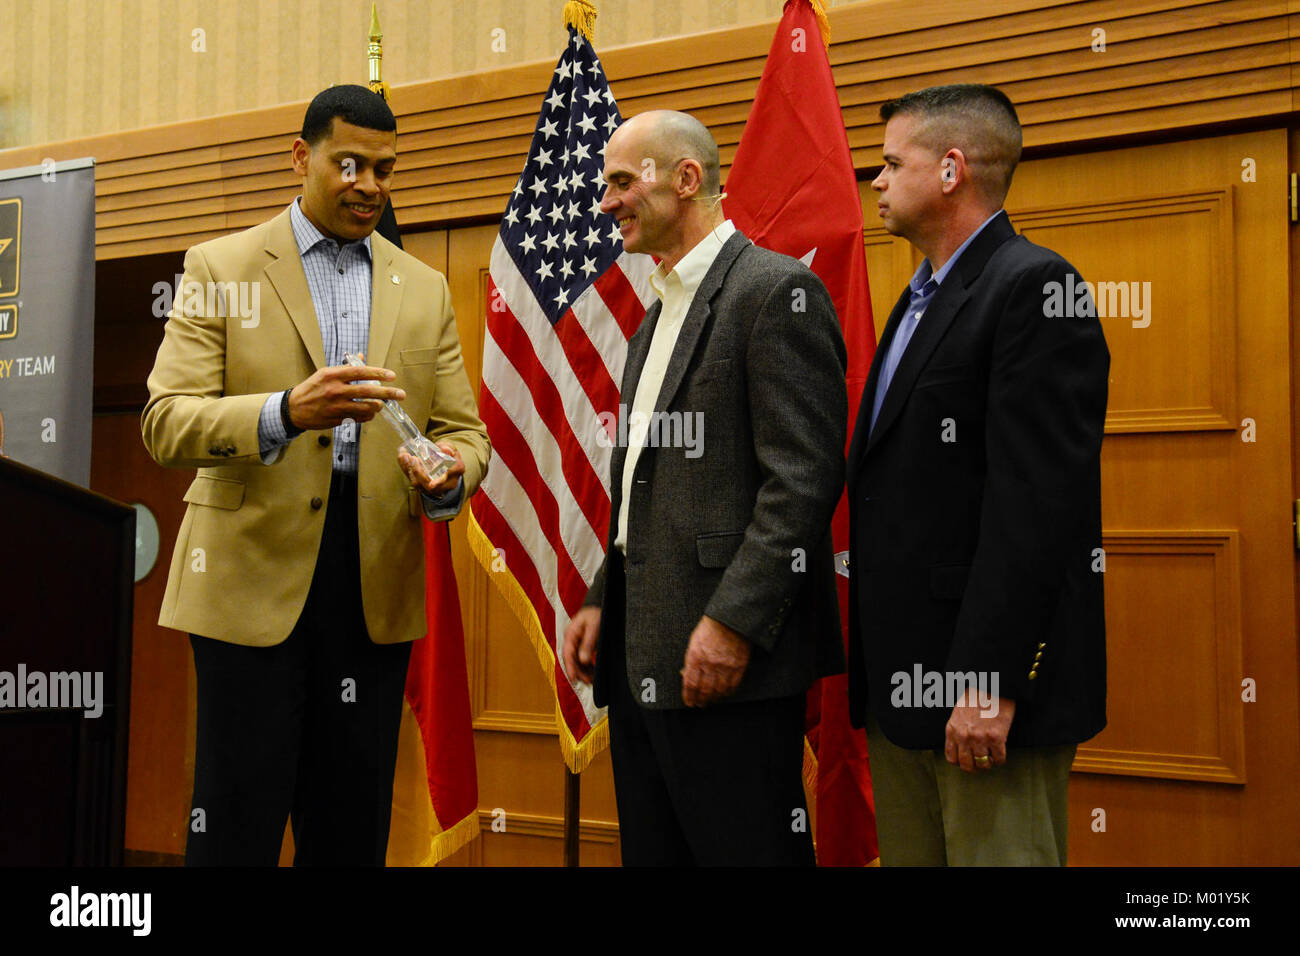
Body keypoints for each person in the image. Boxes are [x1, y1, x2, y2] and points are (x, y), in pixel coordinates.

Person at [141, 85, 490, 866]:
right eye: (350, 163)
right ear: (301, 158)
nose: (369, 184)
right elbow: (166, 424)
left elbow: (464, 432)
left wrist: (449, 475)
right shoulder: (221, 265)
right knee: (236, 823)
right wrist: (284, 413)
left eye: (385, 170)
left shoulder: (423, 287)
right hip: (249, 585)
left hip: (372, 586)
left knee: (350, 831)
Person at [563, 110, 847, 866]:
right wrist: (602, 594)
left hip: (731, 670)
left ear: (686, 179)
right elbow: (647, 490)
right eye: (605, 185)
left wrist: (734, 622)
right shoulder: (654, 318)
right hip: (641, 659)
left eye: (623, 182)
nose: (606, 201)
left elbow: (803, 479)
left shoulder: (775, 292)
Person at [846, 83, 1108, 865]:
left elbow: (1037, 508)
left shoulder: (1034, 286)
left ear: (952, 169)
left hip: (981, 698)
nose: (878, 182)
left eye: (892, 163)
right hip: (905, 691)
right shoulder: (919, 298)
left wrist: (987, 682)